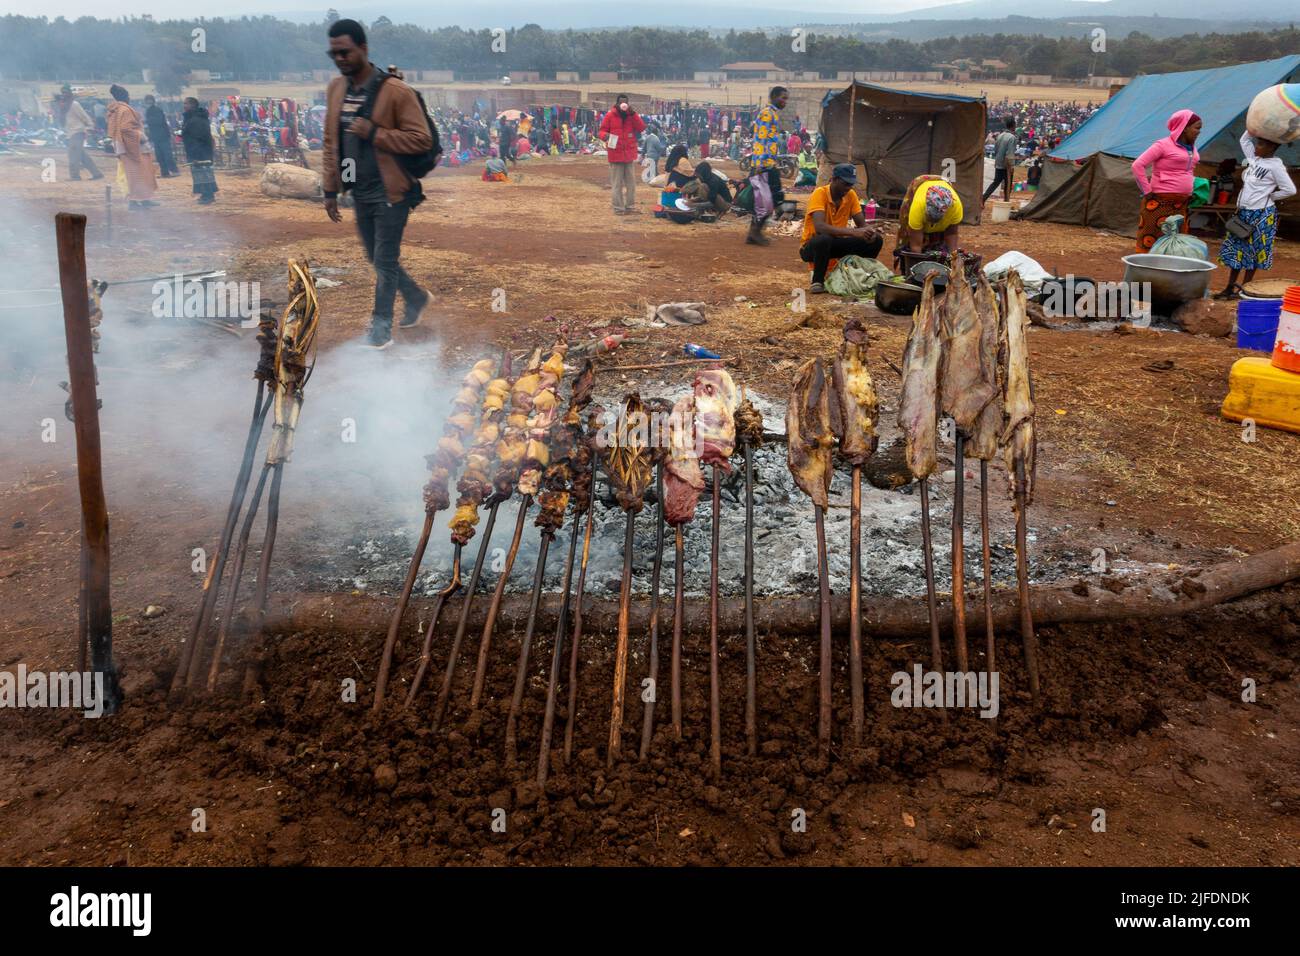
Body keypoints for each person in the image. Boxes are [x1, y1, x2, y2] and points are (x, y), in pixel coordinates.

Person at [321, 18, 434, 350]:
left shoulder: (395, 91)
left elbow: (421, 140)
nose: (340, 59)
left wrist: (375, 133)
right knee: (376, 258)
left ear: (363, 48)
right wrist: (330, 189)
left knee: (384, 261)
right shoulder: (336, 89)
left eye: (345, 52)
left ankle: (379, 331)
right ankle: (415, 297)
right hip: (358, 189)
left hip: (391, 191)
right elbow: (332, 141)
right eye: (334, 54)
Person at [1214, 131, 1296, 299]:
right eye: (1257, 143)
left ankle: (1244, 290)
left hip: (1261, 215)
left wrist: (1270, 197)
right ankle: (1229, 287)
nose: (1256, 147)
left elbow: (1290, 189)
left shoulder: (1275, 166)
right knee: (1237, 250)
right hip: (1244, 213)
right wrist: (1253, 128)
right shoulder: (1255, 159)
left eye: (1260, 144)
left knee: (1252, 253)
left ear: (1271, 147)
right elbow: (1244, 139)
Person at [799, 164, 882, 293]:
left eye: (851, 184)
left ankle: (862, 275)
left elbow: (861, 225)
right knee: (823, 239)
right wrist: (854, 232)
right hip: (812, 247)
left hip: (835, 243)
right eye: (845, 184)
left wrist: (869, 232)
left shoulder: (851, 195)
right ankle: (817, 281)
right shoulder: (819, 193)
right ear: (834, 179)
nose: (848, 188)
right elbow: (820, 227)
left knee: (876, 240)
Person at [1131, 110, 1201, 254]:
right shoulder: (1162, 145)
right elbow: (1137, 165)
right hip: (1160, 203)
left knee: (1175, 244)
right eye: (1197, 127)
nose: (1199, 132)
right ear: (1184, 127)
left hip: (1181, 204)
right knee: (1152, 238)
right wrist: (1147, 191)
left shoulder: (1192, 148)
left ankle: (1166, 274)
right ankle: (1145, 272)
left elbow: (1189, 171)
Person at [747, 86, 789, 245]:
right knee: (768, 200)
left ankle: (754, 232)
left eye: (786, 99)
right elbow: (761, 139)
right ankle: (755, 232)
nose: (785, 101)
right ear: (774, 97)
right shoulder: (766, 114)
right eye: (783, 98)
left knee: (765, 200)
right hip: (763, 166)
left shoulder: (773, 114)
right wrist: (758, 164)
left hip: (769, 164)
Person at [106, 85, 158, 209]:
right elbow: (126, 129)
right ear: (125, 96)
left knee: (137, 174)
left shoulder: (115, 109)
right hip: (132, 146)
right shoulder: (125, 110)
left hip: (123, 145)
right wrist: (141, 136)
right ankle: (134, 202)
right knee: (137, 175)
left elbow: (113, 129)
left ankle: (144, 199)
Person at [599, 94, 646, 215]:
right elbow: (601, 131)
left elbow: (641, 127)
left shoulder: (631, 116)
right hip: (615, 155)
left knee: (631, 184)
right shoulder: (610, 115)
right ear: (617, 103)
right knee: (616, 184)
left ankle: (630, 206)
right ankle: (618, 208)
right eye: (621, 102)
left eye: (625, 102)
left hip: (629, 155)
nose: (623, 105)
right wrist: (606, 136)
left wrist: (633, 114)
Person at [896, 174, 963, 255]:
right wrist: (918, 263)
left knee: (941, 250)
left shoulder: (956, 207)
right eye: (929, 218)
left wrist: (953, 257)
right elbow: (916, 246)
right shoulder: (918, 206)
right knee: (907, 236)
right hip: (920, 183)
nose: (932, 223)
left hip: (943, 184)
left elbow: (951, 233)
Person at [57, 86, 103, 181]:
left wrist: (90, 127)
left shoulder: (74, 104)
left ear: (70, 94)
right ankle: (97, 173)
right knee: (82, 155)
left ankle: (75, 176)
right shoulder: (64, 106)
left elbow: (84, 116)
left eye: (66, 93)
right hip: (71, 133)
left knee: (73, 154)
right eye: (62, 93)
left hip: (78, 132)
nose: (64, 95)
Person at [180, 97, 218, 204]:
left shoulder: (196, 119)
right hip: (196, 151)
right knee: (199, 174)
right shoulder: (192, 117)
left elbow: (199, 138)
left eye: (186, 103)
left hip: (201, 152)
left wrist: (196, 155)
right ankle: (205, 195)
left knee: (204, 173)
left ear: (193, 105)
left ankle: (208, 196)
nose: (184, 106)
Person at [982, 115, 1017, 203]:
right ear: (1013, 126)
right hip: (1007, 165)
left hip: (999, 163)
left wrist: (998, 161)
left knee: (995, 183)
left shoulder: (1000, 136)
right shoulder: (1012, 138)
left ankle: (983, 198)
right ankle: (1006, 201)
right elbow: (1010, 154)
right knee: (1007, 185)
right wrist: (1011, 166)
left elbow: (996, 150)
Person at [143, 95, 178, 178]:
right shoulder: (148, 111)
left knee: (167, 154)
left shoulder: (157, 110)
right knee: (159, 156)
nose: (148, 102)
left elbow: (158, 121)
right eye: (147, 101)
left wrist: (146, 121)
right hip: (156, 137)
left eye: (149, 101)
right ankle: (165, 172)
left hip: (163, 136)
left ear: (153, 101)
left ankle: (174, 171)